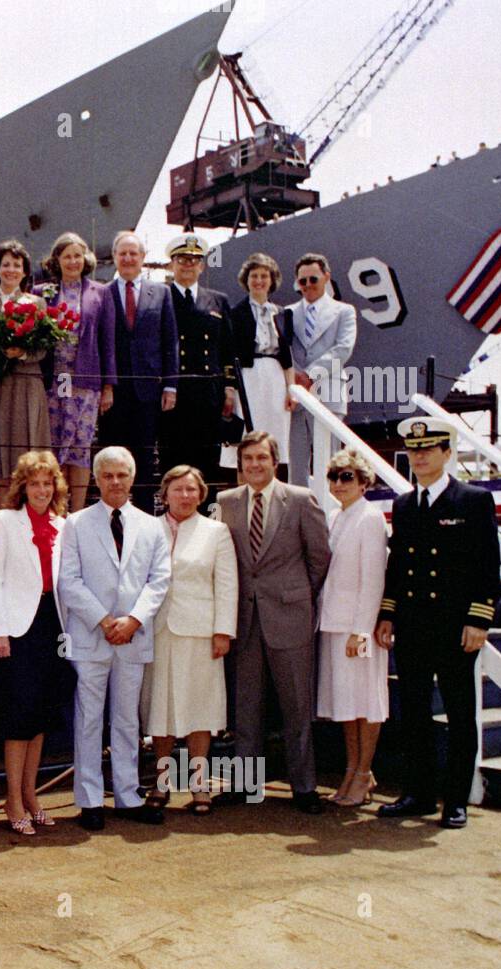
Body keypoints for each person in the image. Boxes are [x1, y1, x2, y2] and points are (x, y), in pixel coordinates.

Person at [375, 419, 500, 829]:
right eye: (414, 450)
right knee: (413, 712)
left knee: (460, 714)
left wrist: (479, 618)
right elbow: (399, 564)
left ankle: (456, 800)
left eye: (430, 448)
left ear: (448, 453)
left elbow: (486, 564)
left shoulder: (473, 500)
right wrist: (388, 613)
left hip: (453, 627)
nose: (421, 456)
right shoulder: (406, 504)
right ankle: (419, 793)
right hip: (412, 626)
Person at [217, 431, 331, 812]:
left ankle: (304, 787)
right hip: (246, 620)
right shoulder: (227, 502)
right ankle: (247, 785)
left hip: (290, 618)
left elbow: (319, 560)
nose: (254, 465)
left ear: (274, 461)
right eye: (247, 459)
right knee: (246, 708)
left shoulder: (300, 499)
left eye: (261, 458)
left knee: (296, 706)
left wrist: (295, 596)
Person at [58, 445, 171, 830]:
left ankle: (127, 795)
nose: (115, 482)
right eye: (107, 475)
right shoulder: (75, 523)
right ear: (95, 479)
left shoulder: (152, 525)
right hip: (92, 636)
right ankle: (89, 799)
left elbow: (159, 581)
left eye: (122, 474)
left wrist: (133, 621)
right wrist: (106, 621)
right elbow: (68, 581)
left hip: (134, 637)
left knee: (127, 721)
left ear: (132, 477)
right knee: (89, 718)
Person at [0, 450, 72, 835]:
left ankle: (31, 794)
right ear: (23, 486)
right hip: (18, 629)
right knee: (17, 718)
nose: (41, 489)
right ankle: (12, 799)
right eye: (34, 483)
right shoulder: (5, 521)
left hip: (52, 626)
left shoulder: (64, 525)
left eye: (47, 482)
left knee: (40, 718)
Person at [144, 465, 238, 815]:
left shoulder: (216, 532)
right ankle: (162, 782)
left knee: (200, 709)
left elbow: (227, 584)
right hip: (157, 631)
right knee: (162, 710)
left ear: (201, 494)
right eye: (178, 489)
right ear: (165, 493)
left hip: (201, 633)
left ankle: (199, 784)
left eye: (191, 490)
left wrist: (223, 631)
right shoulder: (148, 529)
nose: (185, 496)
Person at [317, 449, 389, 807]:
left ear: (363, 483)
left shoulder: (370, 518)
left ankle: (363, 773)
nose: (339, 484)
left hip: (357, 630)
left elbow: (373, 580)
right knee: (346, 704)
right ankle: (353, 770)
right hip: (333, 624)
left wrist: (361, 631)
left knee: (366, 702)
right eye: (335, 477)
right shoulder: (335, 517)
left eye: (348, 477)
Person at [98, 231, 178, 513]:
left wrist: (170, 386)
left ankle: (144, 515)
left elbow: (170, 341)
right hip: (114, 391)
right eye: (123, 253)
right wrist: (104, 385)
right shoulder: (102, 293)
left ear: (143, 258)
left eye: (134, 253)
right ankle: (111, 514)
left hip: (148, 390)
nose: (128, 258)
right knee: (112, 457)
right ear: (115, 258)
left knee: (145, 458)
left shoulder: (162, 293)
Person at [0, 240, 53, 507]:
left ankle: (30, 515)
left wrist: (23, 353)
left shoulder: (37, 304)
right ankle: (4, 513)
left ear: (25, 271)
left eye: (17, 265)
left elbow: (45, 348)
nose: (11, 270)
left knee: (28, 457)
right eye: (5, 264)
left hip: (27, 386)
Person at [39, 231, 116, 512]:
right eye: (66, 256)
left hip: (86, 380)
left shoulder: (101, 292)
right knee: (55, 446)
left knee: (80, 448)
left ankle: (78, 511)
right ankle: (56, 510)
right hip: (54, 380)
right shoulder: (42, 292)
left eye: (77, 255)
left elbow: (108, 341)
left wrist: (108, 385)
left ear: (85, 259)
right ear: (56, 260)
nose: (73, 261)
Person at [159, 232, 238, 498]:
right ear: (172, 264)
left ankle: (205, 519)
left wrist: (229, 387)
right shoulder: (161, 297)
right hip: (175, 392)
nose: (188, 265)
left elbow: (228, 349)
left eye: (194, 260)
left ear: (202, 265)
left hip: (209, 393)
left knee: (207, 462)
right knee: (174, 459)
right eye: (182, 259)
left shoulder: (218, 301)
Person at [286, 253, 357, 487]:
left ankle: (332, 518)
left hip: (328, 393)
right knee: (296, 468)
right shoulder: (287, 313)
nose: (307, 286)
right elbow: (283, 350)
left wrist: (310, 374)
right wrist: (295, 377)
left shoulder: (344, 311)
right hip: (296, 398)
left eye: (313, 279)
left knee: (331, 465)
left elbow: (343, 349)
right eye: (302, 281)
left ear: (326, 277)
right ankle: (298, 519)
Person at [222, 252, 294, 476]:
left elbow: (287, 356)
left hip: (275, 378)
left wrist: (291, 389)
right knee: (246, 435)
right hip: (248, 377)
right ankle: (244, 491)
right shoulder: (235, 313)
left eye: (264, 276)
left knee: (275, 437)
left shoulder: (283, 313)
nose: (259, 281)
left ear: (272, 280)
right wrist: (230, 390)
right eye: (254, 276)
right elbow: (228, 352)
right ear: (247, 280)